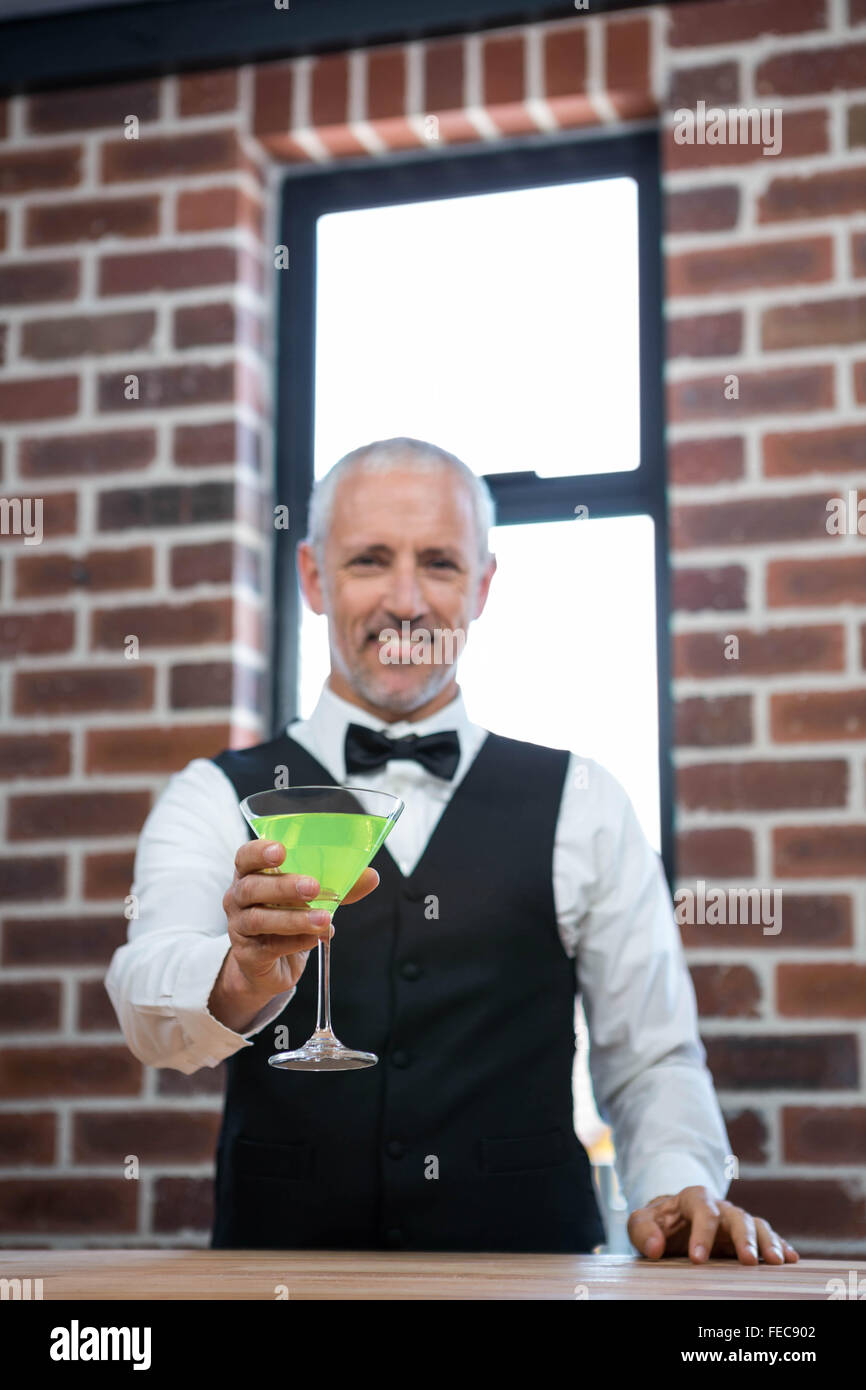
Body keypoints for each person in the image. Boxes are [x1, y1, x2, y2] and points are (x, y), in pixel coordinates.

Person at [107, 437, 798, 1264]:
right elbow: (147, 1006)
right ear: (314, 578)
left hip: (535, 1280)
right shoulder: (214, 795)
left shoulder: (585, 800)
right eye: (369, 560)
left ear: (483, 586)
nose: (406, 601)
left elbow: (652, 1058)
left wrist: (676, 1187)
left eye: (438, 562)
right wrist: (236, 979)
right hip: (279, 1280)